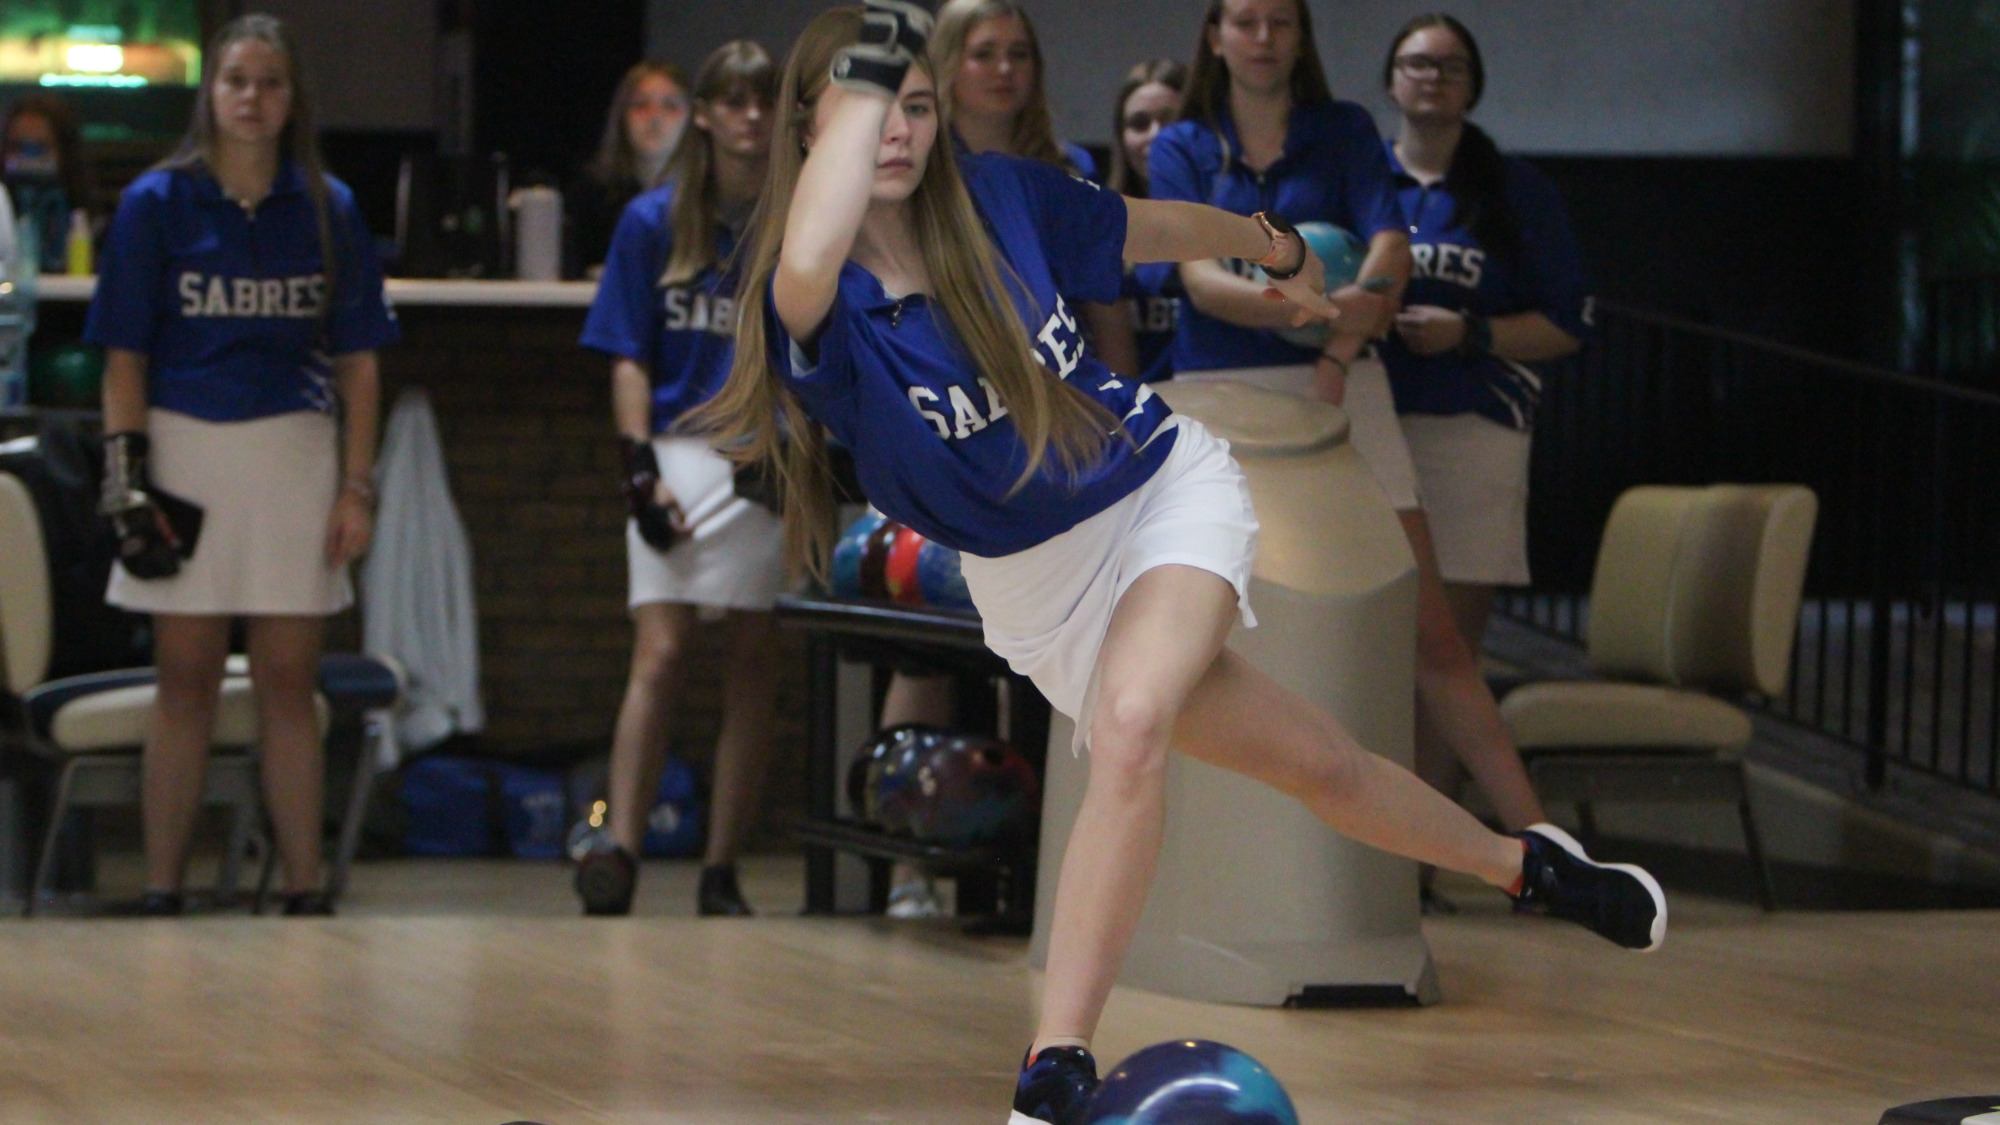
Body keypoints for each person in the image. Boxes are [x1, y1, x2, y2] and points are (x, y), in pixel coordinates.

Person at [689, 8, 1666, 1123]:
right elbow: (812, 248)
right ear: (811, 134)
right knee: (1324, 767)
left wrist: (1276, 248)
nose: (898, 132)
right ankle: (1531, 867)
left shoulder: (1003, 199)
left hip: (1156, 492)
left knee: (1132, 724)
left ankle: (1051, 1070)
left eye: (917, 106)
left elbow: (1154, 226)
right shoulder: (810, 295)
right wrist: (873, 57)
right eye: (870, 113)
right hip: (1033, 586)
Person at [1150, 0, 1552, 863]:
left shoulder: (1342, 129)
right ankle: (1240, 862)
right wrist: (1320, 308)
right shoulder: (1182, 144)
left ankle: (1544, 846)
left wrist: (1336, 343)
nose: (1263, 39)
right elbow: (1202, 283)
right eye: (1245, 22)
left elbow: (1389, 253)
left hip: (1343, 391)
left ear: (1301, 36)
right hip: (1220, 399)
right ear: (1215, 35)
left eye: (1280, 23)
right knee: (1232, 644)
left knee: (1433, 634)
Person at [84, 14, 398, 916]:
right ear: (209, 93)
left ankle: (304, 886)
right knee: (183, 679)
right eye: (235, 82)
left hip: (295, 452)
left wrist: (356, 486)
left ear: (293, 98)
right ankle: (162, 886)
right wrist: (127, 481)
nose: (252, 99)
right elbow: (123, 356)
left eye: (269, 83)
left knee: (288, 681)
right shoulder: (155, 203)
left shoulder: (330, 206)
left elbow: (360, 362)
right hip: (183, 447)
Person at [573, 41, 784, 918]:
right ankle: (619, 847)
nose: (750, 118)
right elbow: (627, 351)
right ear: (704, 114)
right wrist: (637, 467)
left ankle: (720, 866)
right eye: (732, 101)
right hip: (672, 451)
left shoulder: (796, 221)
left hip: (762, 457)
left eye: (764, 101)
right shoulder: (653, 221)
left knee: (753, 660)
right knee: (659, 653)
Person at [1380, 18, 1592, 827]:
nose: (1432, 77)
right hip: (1370, 429)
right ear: (1391, 79)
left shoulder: (1513, 190)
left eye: (1451, 66)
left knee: (1448, 653)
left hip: (1472, 430)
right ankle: (1371, 849)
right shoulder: (1364, 181)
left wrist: (1468, 332)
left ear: (1473, 86)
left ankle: (1426, 852)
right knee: (1370, 644)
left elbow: (1568, 323)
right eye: (1417, 63)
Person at [1105, 59, 1187, 385]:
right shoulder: (1102, 228)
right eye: (1140, 124)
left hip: (1222, 401)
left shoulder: (1227, 222)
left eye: (1170, 121)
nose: (1156, 136)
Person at [570, 61, 692, 279]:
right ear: (621, 117)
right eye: (641, 105)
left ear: (693, 119)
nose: (655, 117)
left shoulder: (708, 195)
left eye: (670, 106)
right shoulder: (591, 196)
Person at [2, 91, 97, 273]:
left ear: (64, 151)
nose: (27, 159)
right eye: (18, 146)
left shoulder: (86, 215)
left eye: (39, 148)